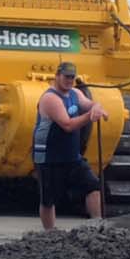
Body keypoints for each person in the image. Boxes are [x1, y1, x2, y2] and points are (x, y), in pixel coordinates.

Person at [33, 61, 101, 229]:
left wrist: (96, 106)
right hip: (49, 157)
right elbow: (68, 125)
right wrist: (90, 116)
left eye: (72, 77)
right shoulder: (50, 98)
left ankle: (97, 224)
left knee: (93, 185)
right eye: (66, 77)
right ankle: (50, 234)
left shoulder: (75, 93)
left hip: (71, 156)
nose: (69, 80)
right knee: (48, 199)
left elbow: (87, 104)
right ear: (57, 76)